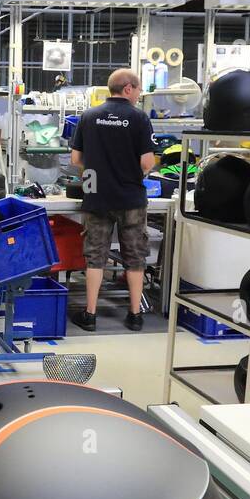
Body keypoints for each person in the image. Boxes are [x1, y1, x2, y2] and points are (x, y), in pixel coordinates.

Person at [69, 68, 156, 332]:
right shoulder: (140, 118)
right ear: (128, 88)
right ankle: (135, 315)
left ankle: (90, 314)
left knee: (95, 257)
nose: (139, 95)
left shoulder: (89, 116)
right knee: (135, 257)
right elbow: (147, 162)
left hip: (97, 195)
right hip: (131, 198)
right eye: (138, 90)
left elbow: (75, 160)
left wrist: (99, 170)